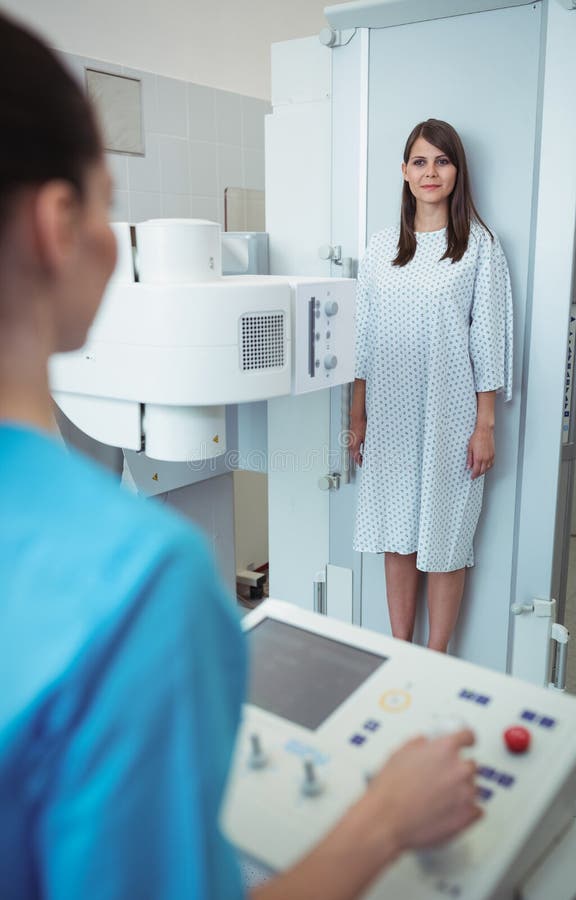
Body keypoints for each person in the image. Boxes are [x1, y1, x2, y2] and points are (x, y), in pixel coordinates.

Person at [0, 16, 482, 899]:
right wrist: (385, 820)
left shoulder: (473, 250)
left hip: (446, 413)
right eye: (109, 204)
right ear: (55, 225)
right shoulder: (137, 582)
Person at [350, 119, 513, 652]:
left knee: (446, 539)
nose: (430, 172)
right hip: (390, 415)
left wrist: (484, 425)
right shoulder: (380, 249)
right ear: (403, 172)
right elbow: (362, 339)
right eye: (420, 161)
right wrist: (358, 417)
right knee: (397, 535)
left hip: (451, 416)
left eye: (442, 161)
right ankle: (399, 653)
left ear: (457, 172)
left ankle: (436, 661)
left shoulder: (479, 247)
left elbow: (488, 340)